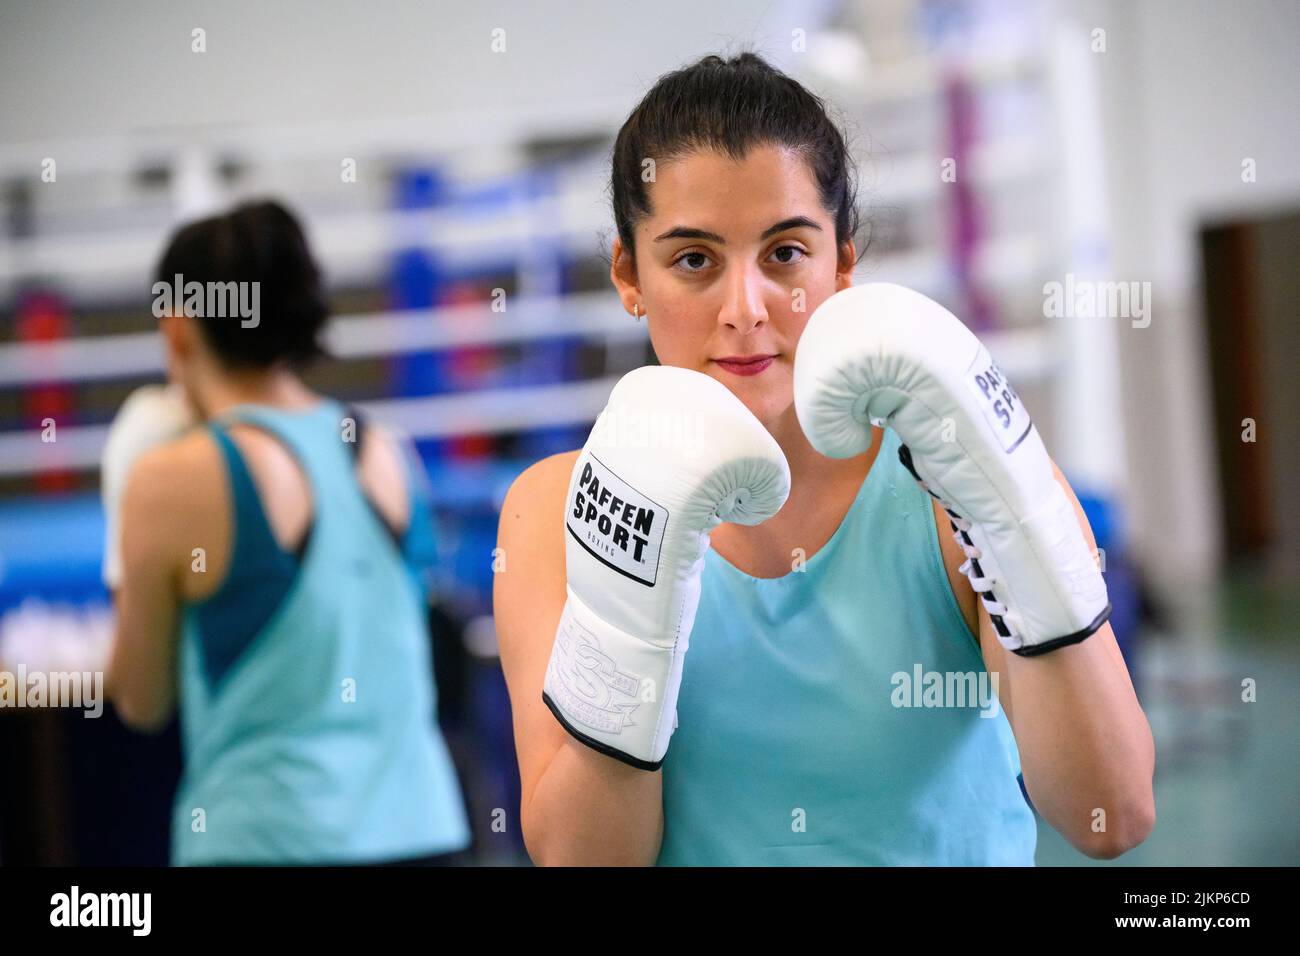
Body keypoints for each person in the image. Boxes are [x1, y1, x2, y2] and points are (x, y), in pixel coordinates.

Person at [494, 52, 1155, 866]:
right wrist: (632, 617)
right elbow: (583, 860)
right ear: (630, 275)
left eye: (784, 255)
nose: (745, 310)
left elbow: (1110, 816)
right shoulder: (556, 511)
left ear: (843, 261)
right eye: (693, 259)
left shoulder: (948, 480)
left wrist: (1010, 514)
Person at [103, 199, 471, 865]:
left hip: (266, 841)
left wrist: (122, 553)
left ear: (178, 329)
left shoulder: (172, 475)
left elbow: (140, 700)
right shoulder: (387, 448)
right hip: (426, 832)